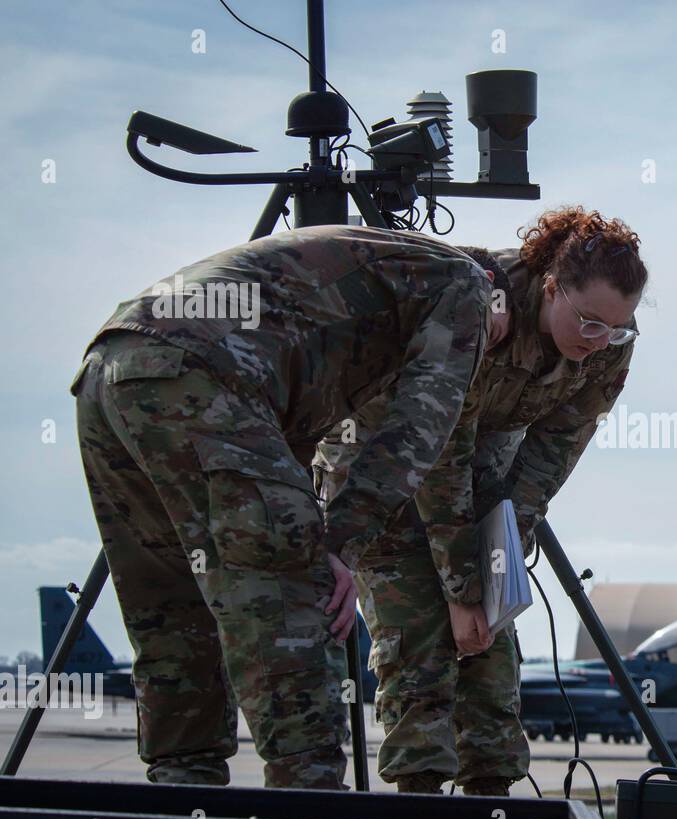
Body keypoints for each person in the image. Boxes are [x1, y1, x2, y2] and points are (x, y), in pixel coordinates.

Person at [72, 224, 491, 788]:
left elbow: (288, 426)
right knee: (290, 589)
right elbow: (416, 434)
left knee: (170, 600)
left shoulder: (378, 278)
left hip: (110, 368)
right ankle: (308, 803)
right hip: (205, 372)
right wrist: (338, 545)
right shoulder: (465, 283)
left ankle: (182, 795)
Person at [314, 207, 647, 795]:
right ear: (551, 287)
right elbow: (438, 453)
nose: (598, 343)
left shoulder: (610, 342)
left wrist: (494, 571)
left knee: (488, 659)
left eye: (615, 330)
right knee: (418, 653)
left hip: (480, 477)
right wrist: (462, 589)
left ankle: (492, 815)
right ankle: (422, 818)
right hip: (387, 472)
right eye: (589, 323)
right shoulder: (477, 304)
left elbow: (548, 459)